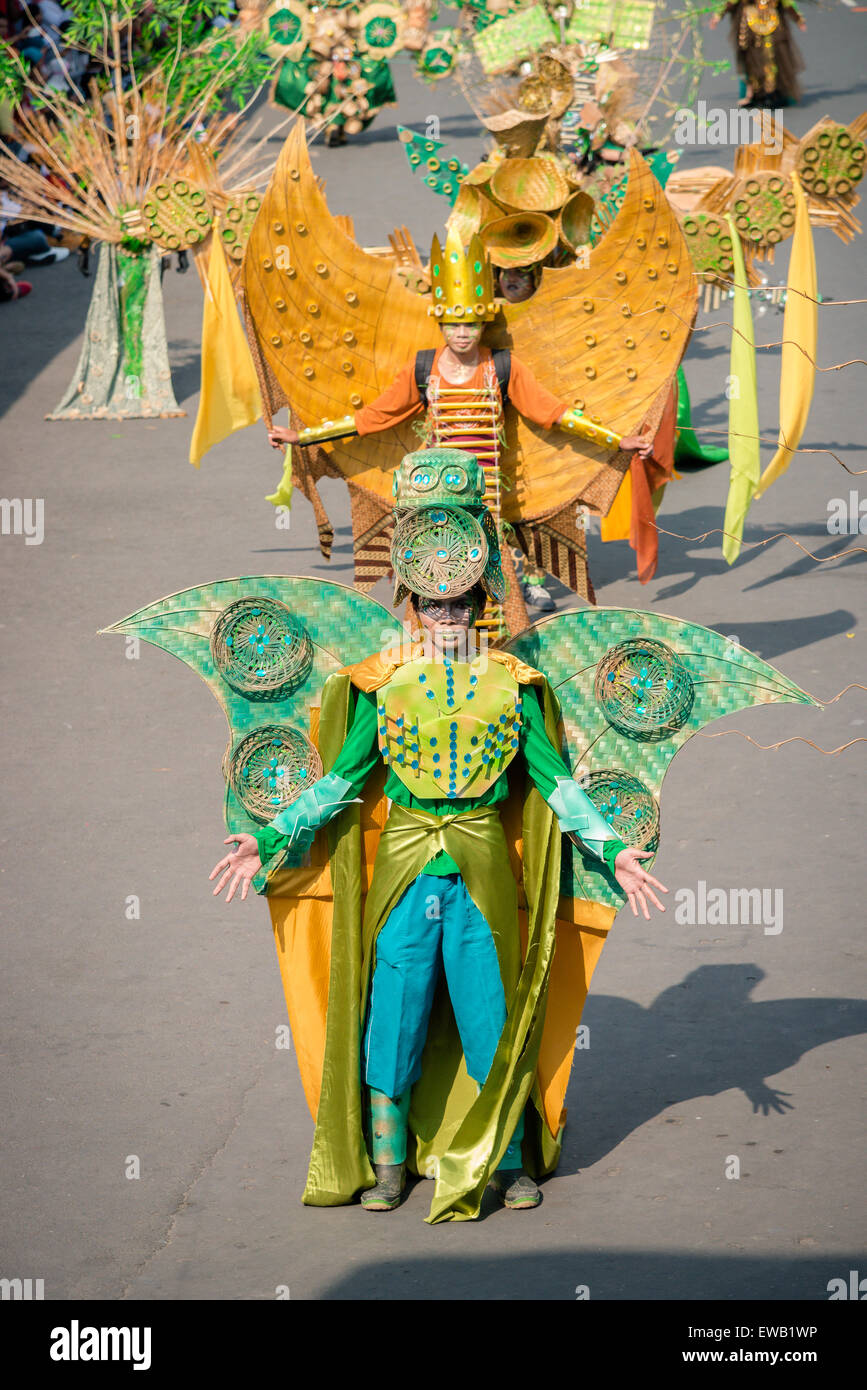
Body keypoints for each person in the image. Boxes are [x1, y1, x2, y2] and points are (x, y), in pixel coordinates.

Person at [209, 450, 667, 1215]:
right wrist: (272, 835)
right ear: (412, 606)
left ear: (481, 604)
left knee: (490, 1013)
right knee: (395, 1010)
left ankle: (508, 1159)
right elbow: (341, 781)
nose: (446, 618)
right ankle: (389, 1166)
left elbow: (555, 784)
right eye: (431, 604)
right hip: (404, 868)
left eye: (459, 605)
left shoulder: (516, 687)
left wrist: (614, 852)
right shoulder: (378, 684)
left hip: (484, 864)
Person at [710, 1, 806, 108]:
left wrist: (797, 18)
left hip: (771, 24)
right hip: (751, 27)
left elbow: (787, 3)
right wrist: (718, 15)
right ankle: (757, 94)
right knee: (752, 62)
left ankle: (772, 94)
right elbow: (731, 2)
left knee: (771, 59)